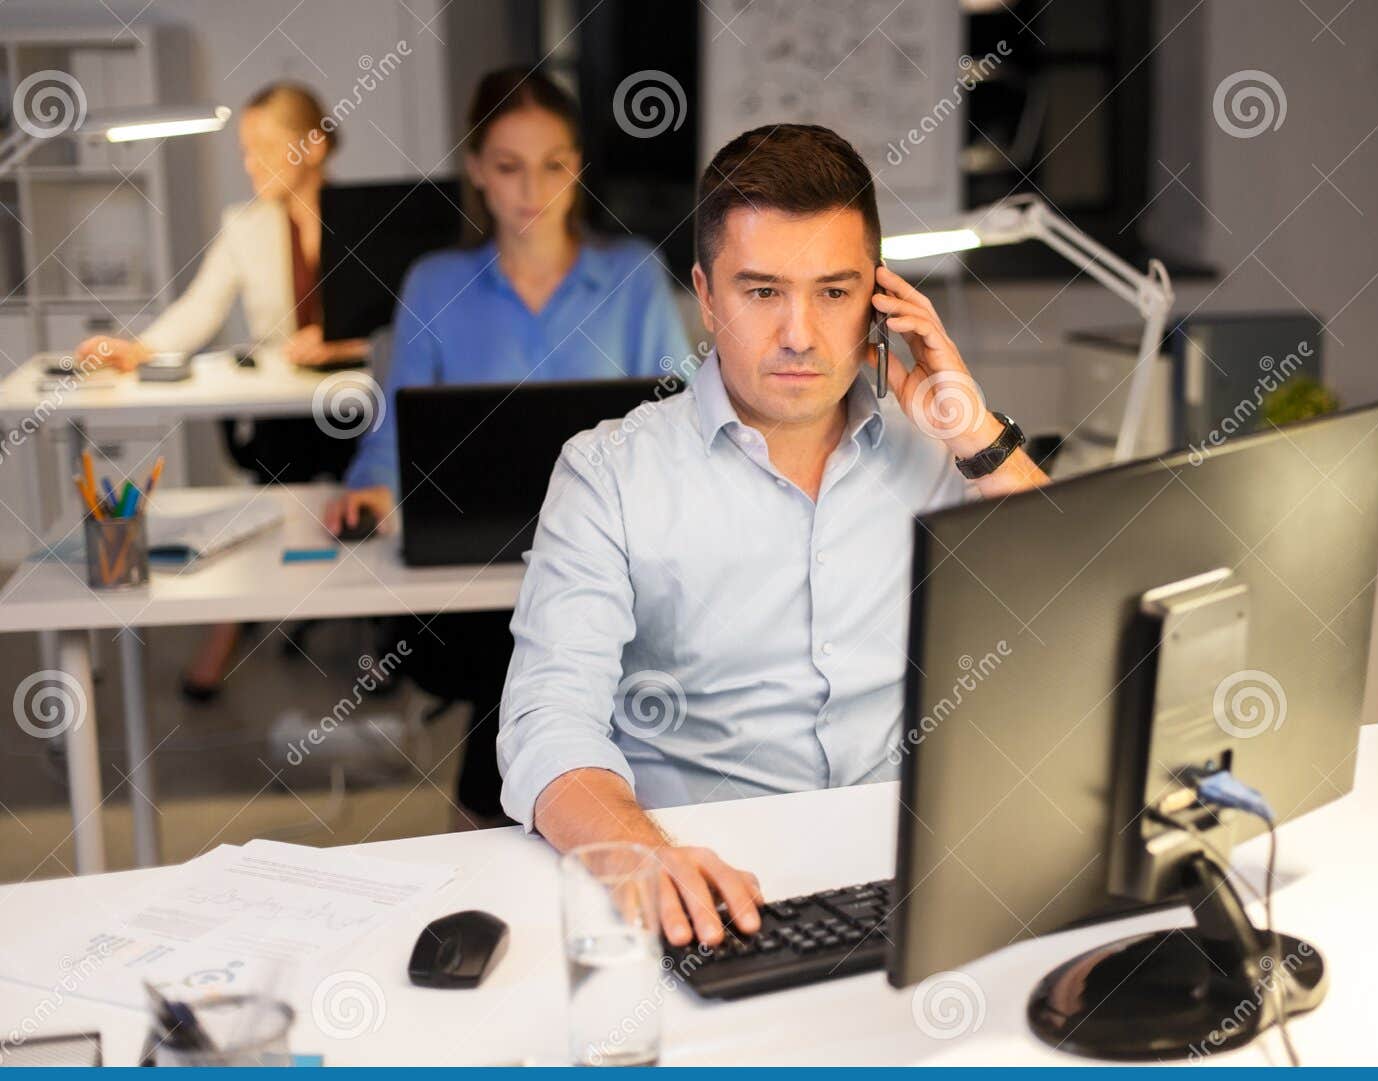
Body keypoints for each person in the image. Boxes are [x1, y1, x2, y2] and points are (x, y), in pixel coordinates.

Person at [498, 124, 1049, 948]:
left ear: (879, 299)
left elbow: (1085, 608)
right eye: (762, 292)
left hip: (907, 882)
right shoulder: (608, 472)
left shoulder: (938, 454)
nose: (800, 333)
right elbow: (546, 720)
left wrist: (975, 433)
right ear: (708, 295)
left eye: (833, 292)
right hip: (708, 885)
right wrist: (637, 854)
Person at [323, 67, 692, 826]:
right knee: (522, 637)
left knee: (568, 629)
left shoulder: (633, 277)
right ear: (477, 172)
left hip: (611, 557)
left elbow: (677, 423)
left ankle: (537, 814)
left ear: (578, 167)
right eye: (509, 166)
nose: (533, 189)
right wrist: (369, 486)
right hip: (477, 574)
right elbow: (397, 430)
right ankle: (542, 817)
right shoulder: (435, 282)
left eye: (554, 164)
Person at [76, 82, 369, 700]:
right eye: (245, 149)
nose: (249, 162)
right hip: (284, 416)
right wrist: (136, 349)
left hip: (362, 404)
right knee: (276, 479)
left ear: (312, 147)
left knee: (377, 469)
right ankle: (229, 627)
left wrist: (351, 347)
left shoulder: (376, 214)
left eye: (265, 146)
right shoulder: (245, 226)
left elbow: (415, 317)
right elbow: (198, 310)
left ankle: (387, 625)